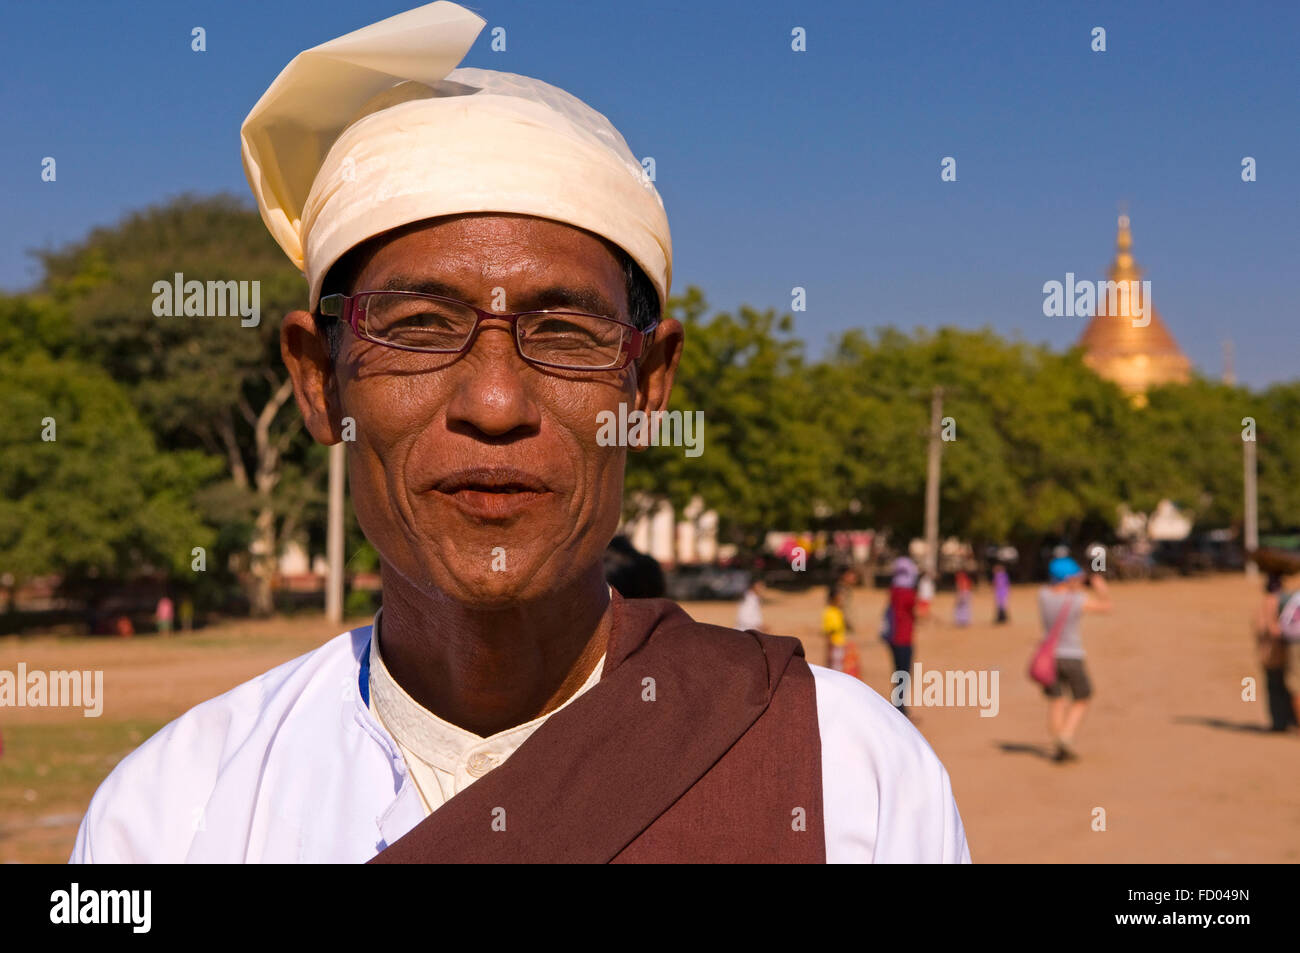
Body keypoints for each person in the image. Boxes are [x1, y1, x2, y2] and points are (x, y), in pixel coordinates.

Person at [70, 2, 969, 864]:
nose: (496, 402)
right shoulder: (175, 817)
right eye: (417, 326)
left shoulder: (848, 774)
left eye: (565, 334)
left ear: (649, 386)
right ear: (318, 382)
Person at [1038, 557, 1111, 762]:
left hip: (1049, 657)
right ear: (1069, 578)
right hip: (1071, 656)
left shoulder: (1043, 595)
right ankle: (1066, 736)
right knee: (1082, 697)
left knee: (1056, 700)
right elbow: (1106, 606)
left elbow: (1052, 588)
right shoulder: (1076, 599)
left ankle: (1057, 742)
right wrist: (1100, 587)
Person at [1255, 573, 1299, 732]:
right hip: (1279, 653)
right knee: (1285, 688)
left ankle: (1280, 723)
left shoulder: (1270, 602)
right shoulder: (1284, 601)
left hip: (1273, 655)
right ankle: (1286, 721)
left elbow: (1266, 629)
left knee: (1278, 689)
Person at [887, 557, 919, 715]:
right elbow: (918, 611)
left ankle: (899, 705)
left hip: (892, 637)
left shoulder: (894, 589)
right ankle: (900, 707)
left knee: (897, 672)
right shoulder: (909, 593)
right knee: (904, 674)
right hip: (904, 638)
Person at [822, 584, 848, 673]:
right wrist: (829, 649)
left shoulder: (838, 611)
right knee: (836, 670)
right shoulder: (830, 612)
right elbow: (829, 632)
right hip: (834, 646)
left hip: (840, 644)